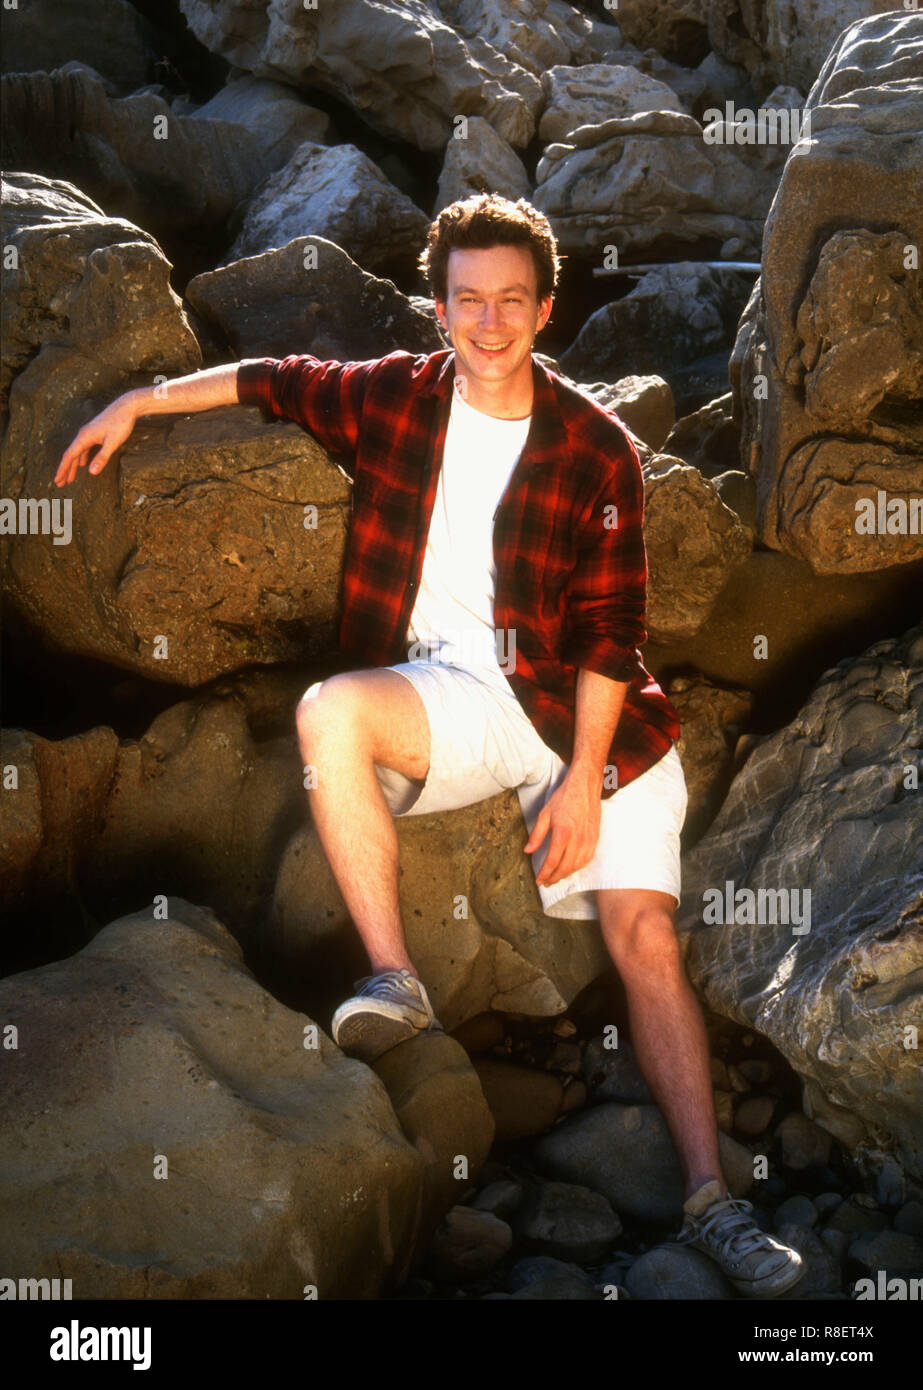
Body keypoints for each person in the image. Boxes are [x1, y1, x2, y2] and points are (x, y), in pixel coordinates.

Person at [56, 193, 804, 1298]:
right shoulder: (395, 398)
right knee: (328, 713)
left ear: (544, 308)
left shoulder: (596, 447)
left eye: (510, 301)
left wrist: (586, 786)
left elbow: (610, 633)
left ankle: (710, 1202)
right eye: (466, 300)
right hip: (455, 692)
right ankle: (396, 976)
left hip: (590, 711)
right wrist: (141, 397)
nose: (487, 322)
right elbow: (273, 379)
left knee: (643, 936)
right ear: (439, 305)